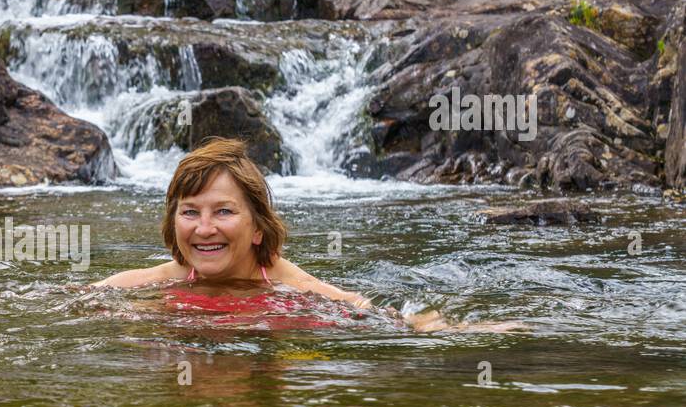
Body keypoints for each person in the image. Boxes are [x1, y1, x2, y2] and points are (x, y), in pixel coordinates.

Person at [94, 137, 511, 333]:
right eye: (190, 212)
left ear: (258, 227)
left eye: (223, 211)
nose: (204, 228)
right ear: (174, 223)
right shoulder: (155, 282)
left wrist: (440, 327)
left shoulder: (288, 285)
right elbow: (73, 299)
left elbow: (368, 311)